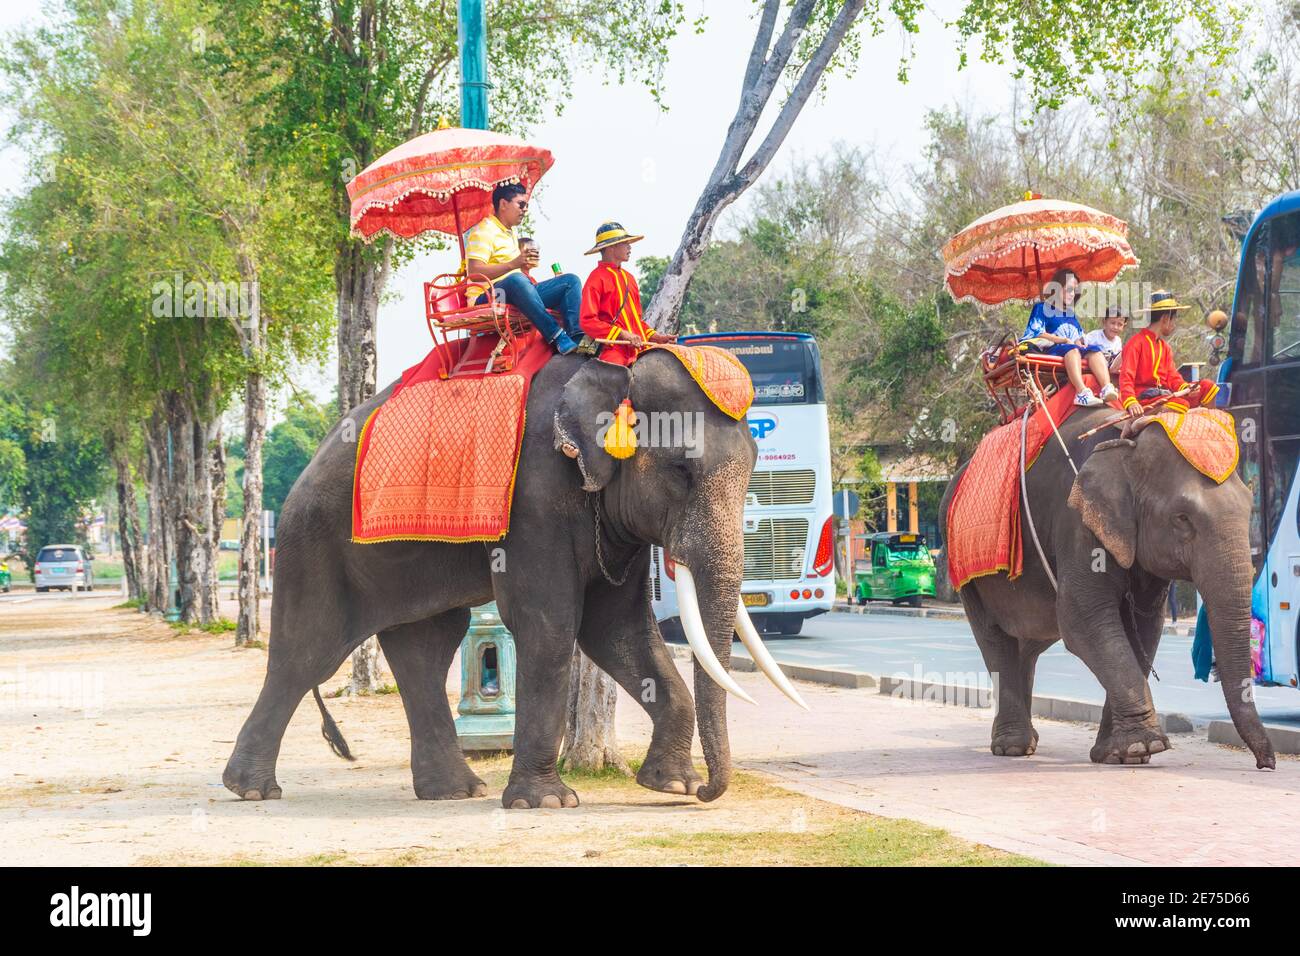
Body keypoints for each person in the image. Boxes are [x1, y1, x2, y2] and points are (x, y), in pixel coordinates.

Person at [463, 183, 583, 354]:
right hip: (490, 296)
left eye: (526, 205)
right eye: (521, 204)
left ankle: (578, 337)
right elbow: (474, 273)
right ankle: (556, 336)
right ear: (503, 204)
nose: (525, 209)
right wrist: (513, 264)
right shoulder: (484, 231)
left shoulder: (511, 231)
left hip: (517, 292)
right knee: (516, 279)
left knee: (570, 281)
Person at [1018, 268, 1119, 407]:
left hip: (1072, 348)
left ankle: (1106, 387)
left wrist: (1080, 344)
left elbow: (1077, 336)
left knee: (1094, 350)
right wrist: (1062, 340)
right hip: (1053, 349)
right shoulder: (1041, 308)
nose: (1073, 294)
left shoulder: (1070, 313)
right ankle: (1081, 392)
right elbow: (1036, 332)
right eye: (1069, 289)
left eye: (1075, 291)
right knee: (1072, 349)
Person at [579, 221, 675, 366]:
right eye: (625, 243)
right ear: (611, 247)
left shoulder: (629, 278)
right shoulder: (596, 278)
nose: (630, 247)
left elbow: (636, 321)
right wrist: (621, 333)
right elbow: (587, 321)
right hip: (612, 350)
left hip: (640, 348)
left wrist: (656, 337)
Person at [1120, 290, 1219, 418]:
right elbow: (1126, 377)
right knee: (1180, 404)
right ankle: (1145, 414)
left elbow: (1172, 377)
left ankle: (1210, 425)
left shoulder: (1164, 347)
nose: (1174, 324)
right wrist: (1131, 402)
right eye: (1174, 320)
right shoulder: (1136, 343)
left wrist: (1187, 389)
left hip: (1167, 395)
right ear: (1165, 319)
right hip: (1144, 398)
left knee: (1208, 387)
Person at [1082, 306, 1128, 373]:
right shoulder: (1095, 335)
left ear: (1124, 326)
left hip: (1109, 370)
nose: (1115, 327)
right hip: (1092, 369)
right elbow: (1081, 343)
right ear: (1104, 321)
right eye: (1112, 323)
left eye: (1120, 324)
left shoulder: (1118, 341)